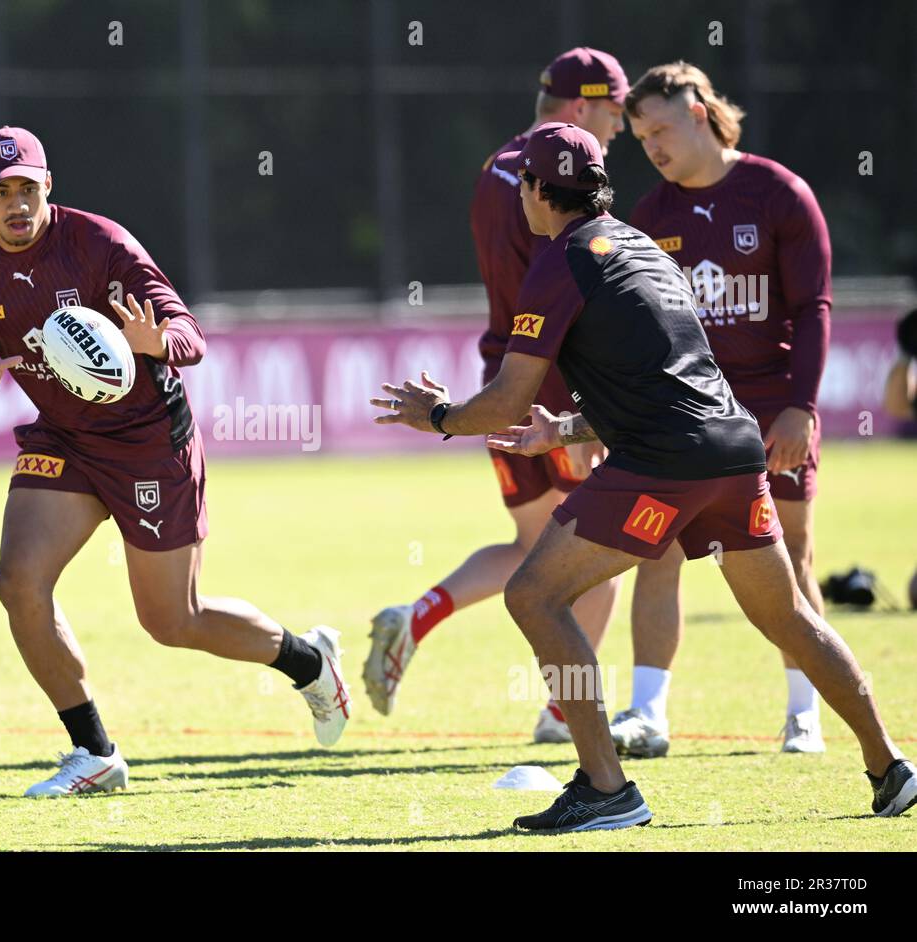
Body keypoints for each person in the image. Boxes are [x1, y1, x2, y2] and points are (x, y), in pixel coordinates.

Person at [371, 122, 915, 831]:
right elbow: (665, 378)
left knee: (534, 595)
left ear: (537, 190)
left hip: (664, 462)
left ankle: (606, 789)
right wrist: (564, 431)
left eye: (524, 185)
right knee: (789, 615)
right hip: (733, 450)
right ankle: (891, 766)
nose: (520, 197)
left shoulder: (561, 260)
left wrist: (439, 415)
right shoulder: (641, 247)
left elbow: (505, 399)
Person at [0, 126, 351, 798]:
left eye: (28, 188)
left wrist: (158, 343)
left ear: (48, 186)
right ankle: (94, 754)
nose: (17, 204)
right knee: (18, 582)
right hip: (64, 439)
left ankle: (309, 661)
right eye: (1, 191)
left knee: (172, 621)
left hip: (148, 440)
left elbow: (190, 335)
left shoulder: (99, 244)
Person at [363, 48, 628, 744]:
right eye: (615, 110)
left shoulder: (498, 168)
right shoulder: (556, 180)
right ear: (581, 107)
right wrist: (583, 417)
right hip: (553, 394)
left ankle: (417, 616)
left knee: (534, 543)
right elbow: (566, 295)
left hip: (502, 379)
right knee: (600, 557)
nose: (622, 126)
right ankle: (564, 714)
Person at [619, 62, 833, 756]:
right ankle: (647, 714)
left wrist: (800, 407)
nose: (651, 146)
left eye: (660, 129)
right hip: (686, 411)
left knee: (791, 556)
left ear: (699, 113)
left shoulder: (779, 193)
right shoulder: (649, 217)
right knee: (654, 549)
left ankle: (804, 713)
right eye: (640, 137)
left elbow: (813, 308)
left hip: (772, 407)